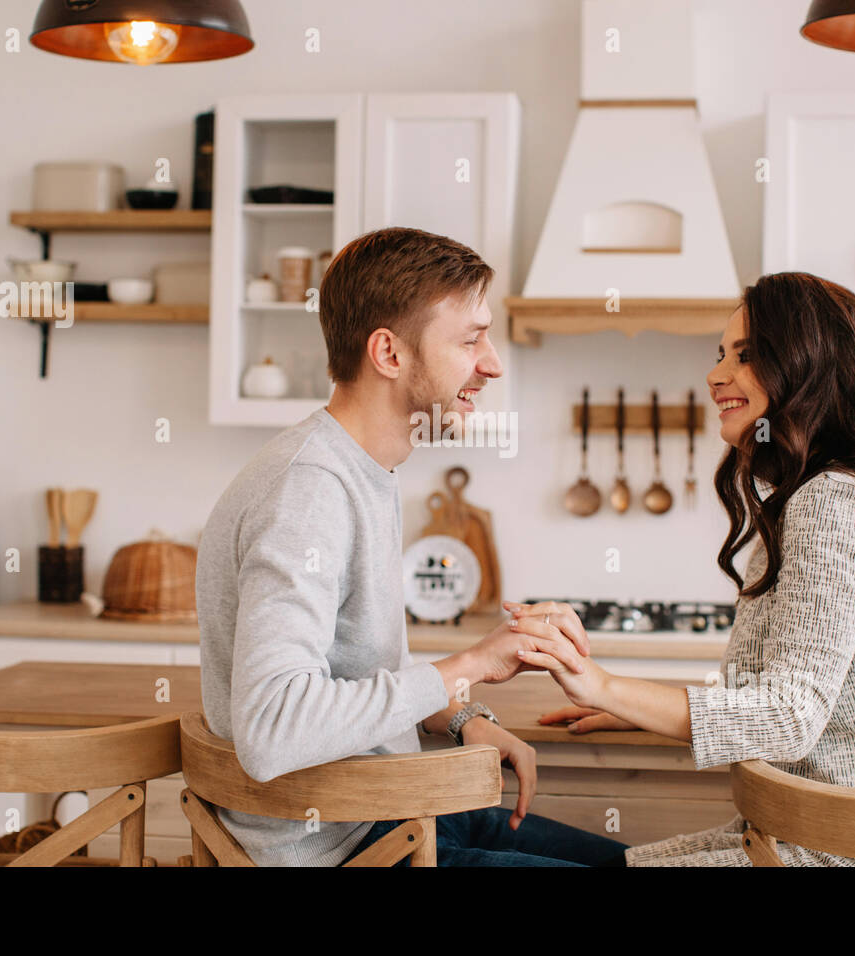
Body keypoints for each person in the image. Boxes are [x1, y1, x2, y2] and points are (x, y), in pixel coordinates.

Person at [511, 271, 855, 866]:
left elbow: (789, 717)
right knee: (511, 843)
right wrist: (638, 707)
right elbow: (778, 699)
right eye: (720, 354)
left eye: (745, 357)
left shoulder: (832, 501)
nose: (715, 374)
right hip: (847, 836)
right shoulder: (803, 502)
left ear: (806, 369)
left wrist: (605, 685)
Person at [196, 226, 626, 866]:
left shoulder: (364, 468)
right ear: (389, 354)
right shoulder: (309, 491)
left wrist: (459, 717)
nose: (494, 363)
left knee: (632, 863)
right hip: (342, 844)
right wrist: (471, 664)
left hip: (388, 807)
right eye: (471, 339)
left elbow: (351, 680)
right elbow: (273, 727)